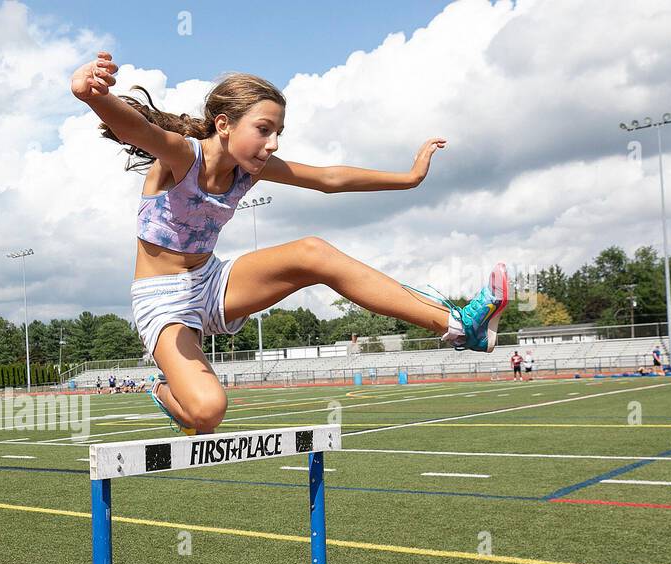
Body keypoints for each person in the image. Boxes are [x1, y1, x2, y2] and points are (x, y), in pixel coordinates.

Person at [73, 53, 508, 435]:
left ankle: (458, 328)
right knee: (207, 413)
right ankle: (168, 394)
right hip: (162, 301)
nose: (273, 144)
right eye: (263, 130)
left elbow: (329, 179)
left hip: (212, 281)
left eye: (279, 132)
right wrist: (90, 94)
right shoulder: (184, 156)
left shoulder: (251, 170)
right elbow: (134, 128)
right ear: (223, 124)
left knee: (312, 252)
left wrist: (410, 178)